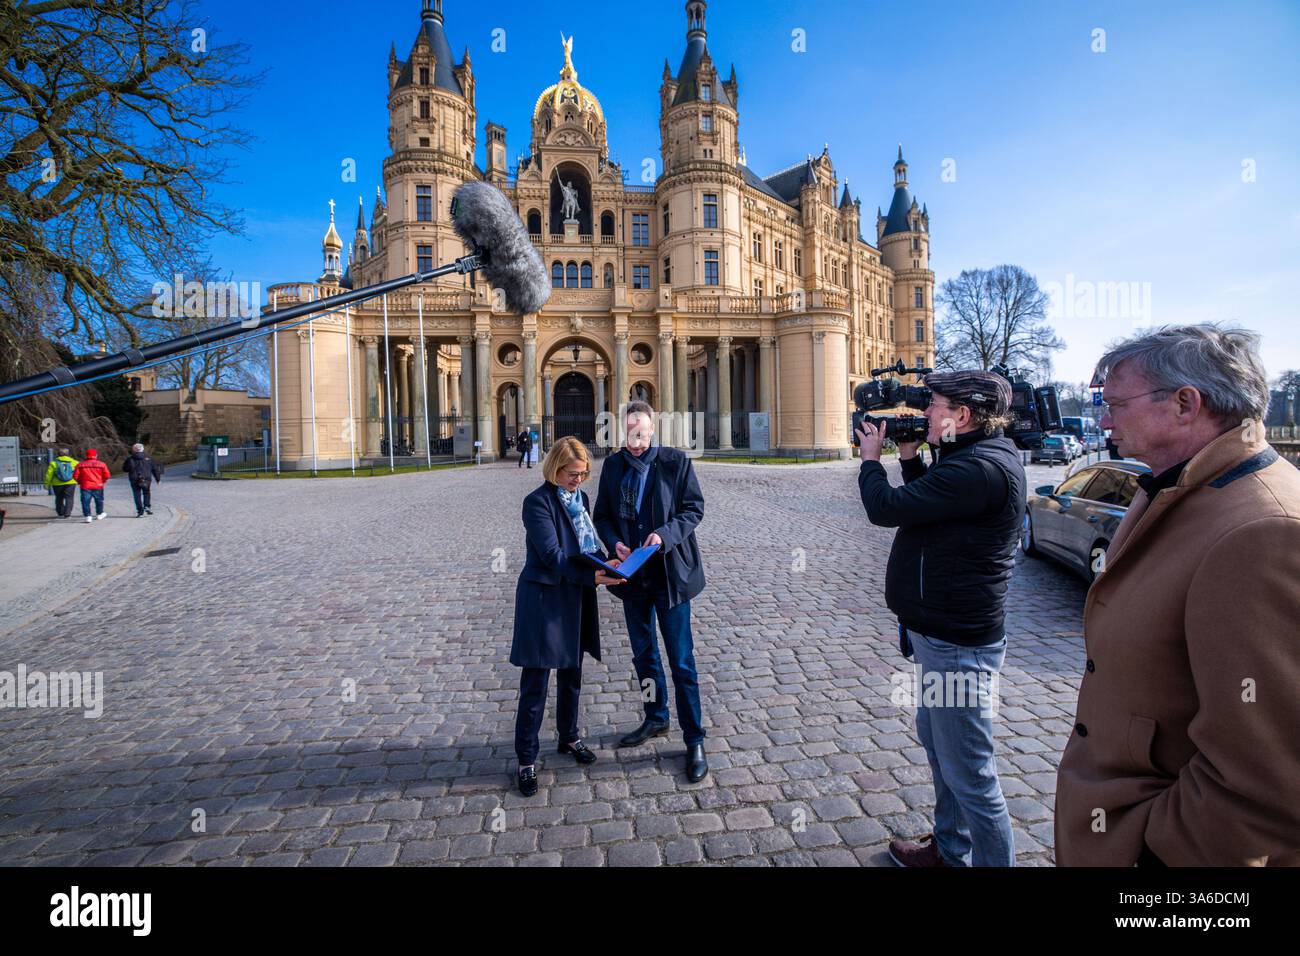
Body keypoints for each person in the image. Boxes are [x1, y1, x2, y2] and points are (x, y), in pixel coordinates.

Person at [1056, 324, 1300, 866]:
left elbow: (1266, 777)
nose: (1103, 420)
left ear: (1185, 403)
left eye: (1115, 404)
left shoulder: (1263, 529)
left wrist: (1151, 852)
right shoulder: (1183, 484)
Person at [857, 370, 1025, 867]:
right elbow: (929, 506)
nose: (923, 412)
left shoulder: (978, 470)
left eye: (933, 404)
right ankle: (951, 852)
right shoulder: (973, 457)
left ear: (964, 416)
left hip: (957, 644)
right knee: (940, 748)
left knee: (973, 777)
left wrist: (871, 461)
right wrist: (909, 457)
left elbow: (887, 509)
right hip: (942, 637)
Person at [593, 401, 709, 782]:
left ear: (652, 430)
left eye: (641, 434)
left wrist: (665, 536)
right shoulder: (613, 466)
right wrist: (615, 544)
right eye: (629, 434)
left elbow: (693, 510)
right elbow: (604, 516)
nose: (636, 442)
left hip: (670, 576)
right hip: (632, 579)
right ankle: (655, 717)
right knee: (644, 658)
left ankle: (694, 739)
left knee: (681, 661)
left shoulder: (676, 462)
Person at [510, 436, 624, 797]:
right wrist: (592, 576)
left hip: (575, 596)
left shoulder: (581, 499)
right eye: (573, 474)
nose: (578, 480)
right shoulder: (537, 503)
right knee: (536, 683)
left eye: (583, 473)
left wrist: (610, 560)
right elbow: (553, 556)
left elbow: (586, 545)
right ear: (554, 469)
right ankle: (526, 760)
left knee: (573, 673)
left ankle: (569, 737)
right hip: (545, 598)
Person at [121, 443, 164, 516]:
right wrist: (158, 479)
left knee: (137, 494)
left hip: (134, 479)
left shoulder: (130, 459)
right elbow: (155, 469)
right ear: (142, 449)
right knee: (146, 492)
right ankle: (147, 506)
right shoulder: (149, 459)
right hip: (146, 478)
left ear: (133, 450)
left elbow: (125, 469)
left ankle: (140, 511)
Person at [72, 449, 112, 523]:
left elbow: (75, 476)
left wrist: (80, 482)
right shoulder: (101, 464)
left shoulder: (80, 464)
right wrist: (102, 481)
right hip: (98, 485)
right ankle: (99, 514)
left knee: (85, 501)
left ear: (86, 455)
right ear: (96, 455)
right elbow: (107, 475)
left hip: (85, 485)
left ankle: (88, 516)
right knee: (99, 500)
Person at [43, 448, 79, 519]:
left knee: (59, 498)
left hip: (57, 484)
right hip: (71, 483)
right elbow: (78, 473)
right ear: (68, 454)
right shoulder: (75, 462)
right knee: (69, 498)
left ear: (58, 454)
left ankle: (60, 513)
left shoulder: (53, 463)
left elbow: (49, 474)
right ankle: (67, 514)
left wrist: (46, 484)